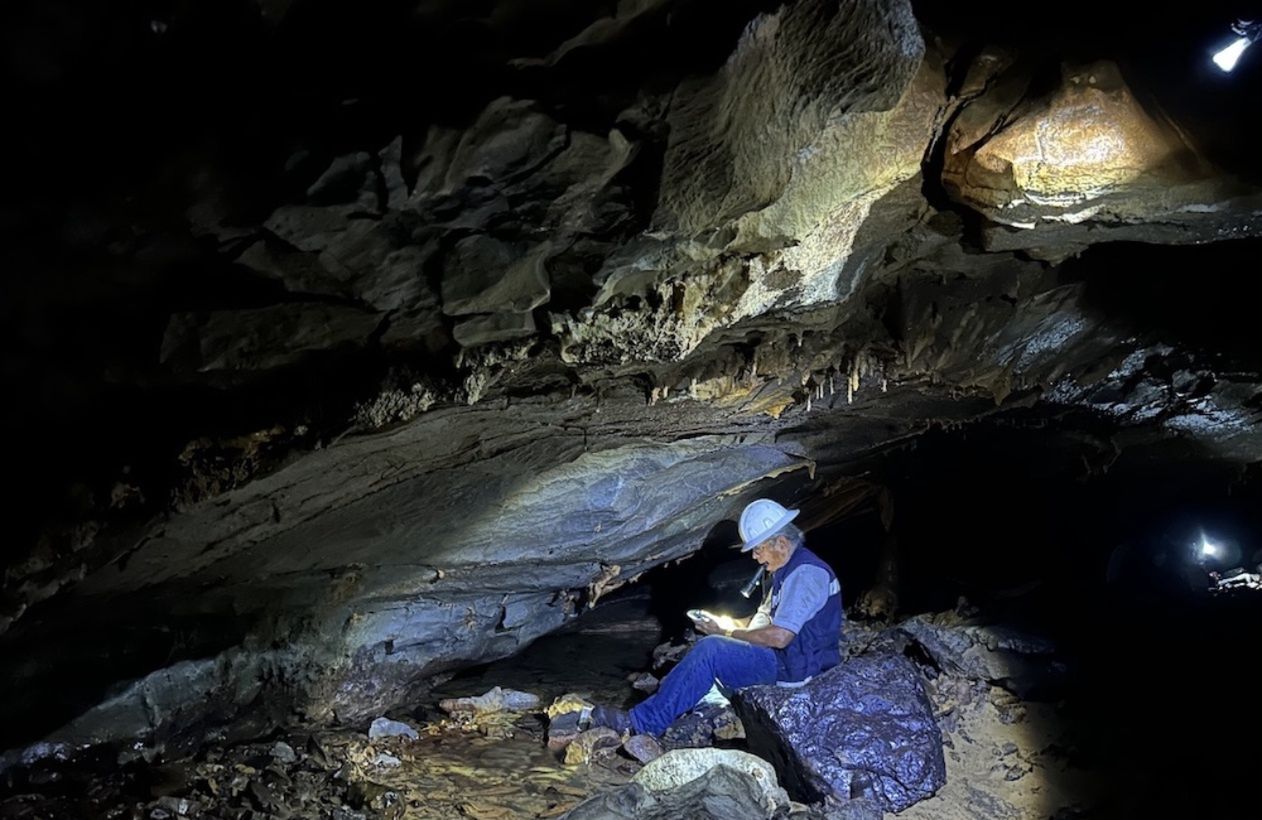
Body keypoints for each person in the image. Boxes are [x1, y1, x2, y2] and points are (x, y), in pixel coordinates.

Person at [587, 498, 844, 736]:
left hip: (798, 669)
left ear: (782, 544)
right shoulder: (786, 572)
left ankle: (642, 724)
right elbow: (766, 623)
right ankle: (680, 709)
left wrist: (725, 634)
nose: (754, 557)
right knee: (712, 652)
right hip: (790, 661)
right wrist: (727, 626)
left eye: (758, 549)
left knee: (711, 650)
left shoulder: (806, 574)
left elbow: (779, 637)